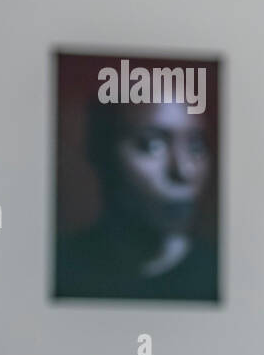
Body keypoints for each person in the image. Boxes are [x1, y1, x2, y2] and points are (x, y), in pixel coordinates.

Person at [55, 96, 218, 301]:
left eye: (195, 146)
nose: (183, 171)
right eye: (152, 146)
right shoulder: (58, 271)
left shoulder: (221, 277)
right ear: (99, 151)